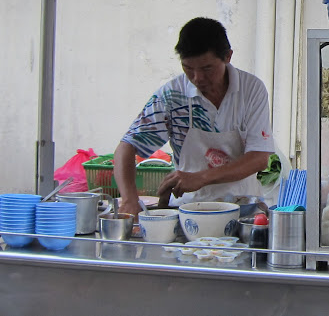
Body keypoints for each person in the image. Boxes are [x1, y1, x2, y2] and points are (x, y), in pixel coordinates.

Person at [114, 17, 274, 217]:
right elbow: (127, 147)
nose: (197, 78)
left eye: (207, 68)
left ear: (227, 56)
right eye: (188, 68)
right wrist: (129, 199)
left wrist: (201, 177)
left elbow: (259, 158)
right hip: (187, 209)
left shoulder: (251, 90)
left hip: (242, 207)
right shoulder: (173, 95)